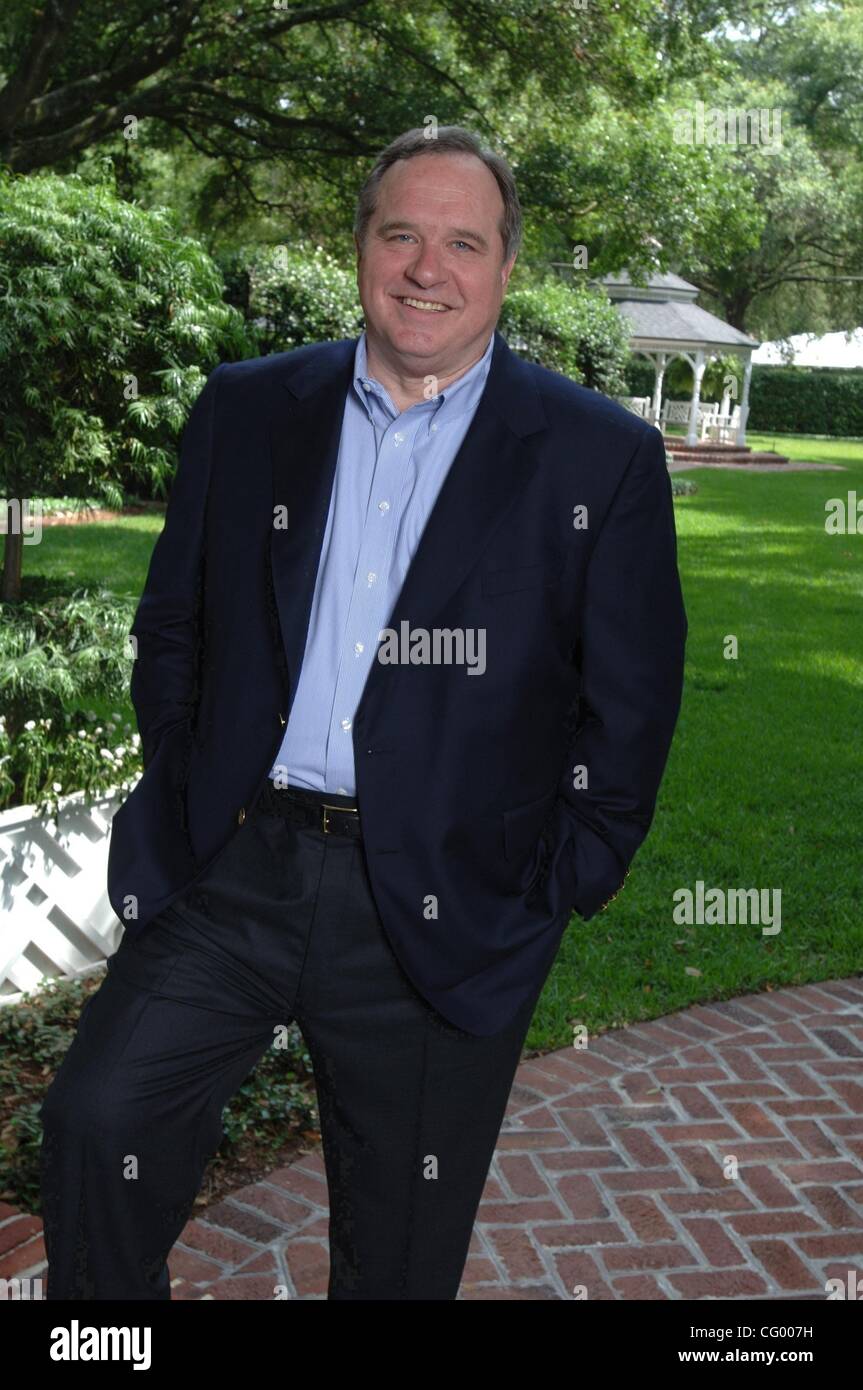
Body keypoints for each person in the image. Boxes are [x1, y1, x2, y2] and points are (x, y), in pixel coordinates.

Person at [39, 125, 687, 1301]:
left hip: (444, 909)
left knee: (395, 1255)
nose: (424, 268)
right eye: (400, 234)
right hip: (236, 865)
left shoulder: (596, 460)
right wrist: (185, 781)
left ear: (502, 268)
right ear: (359, 248)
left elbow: (629, 705)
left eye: (461, 241)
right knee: (96, 1119)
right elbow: (174, 623)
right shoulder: (248, 409)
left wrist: (560, 878)